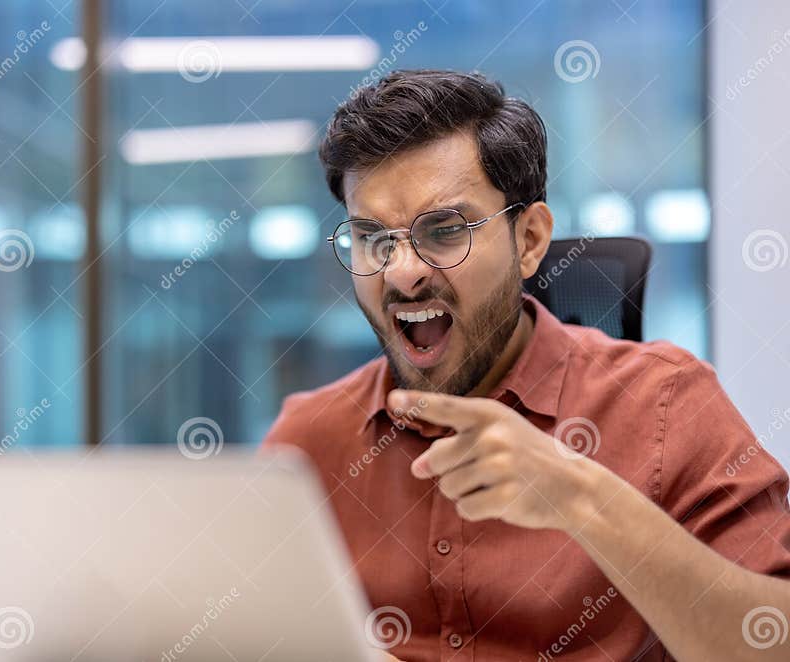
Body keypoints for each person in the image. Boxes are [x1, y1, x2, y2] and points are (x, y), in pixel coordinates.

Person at [260, 69, 790, 661]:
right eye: (373, 239)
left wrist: (580, 497)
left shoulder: (666, 403)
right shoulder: (305, 446)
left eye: (444, 231)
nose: (401, 272)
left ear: (531, 239)